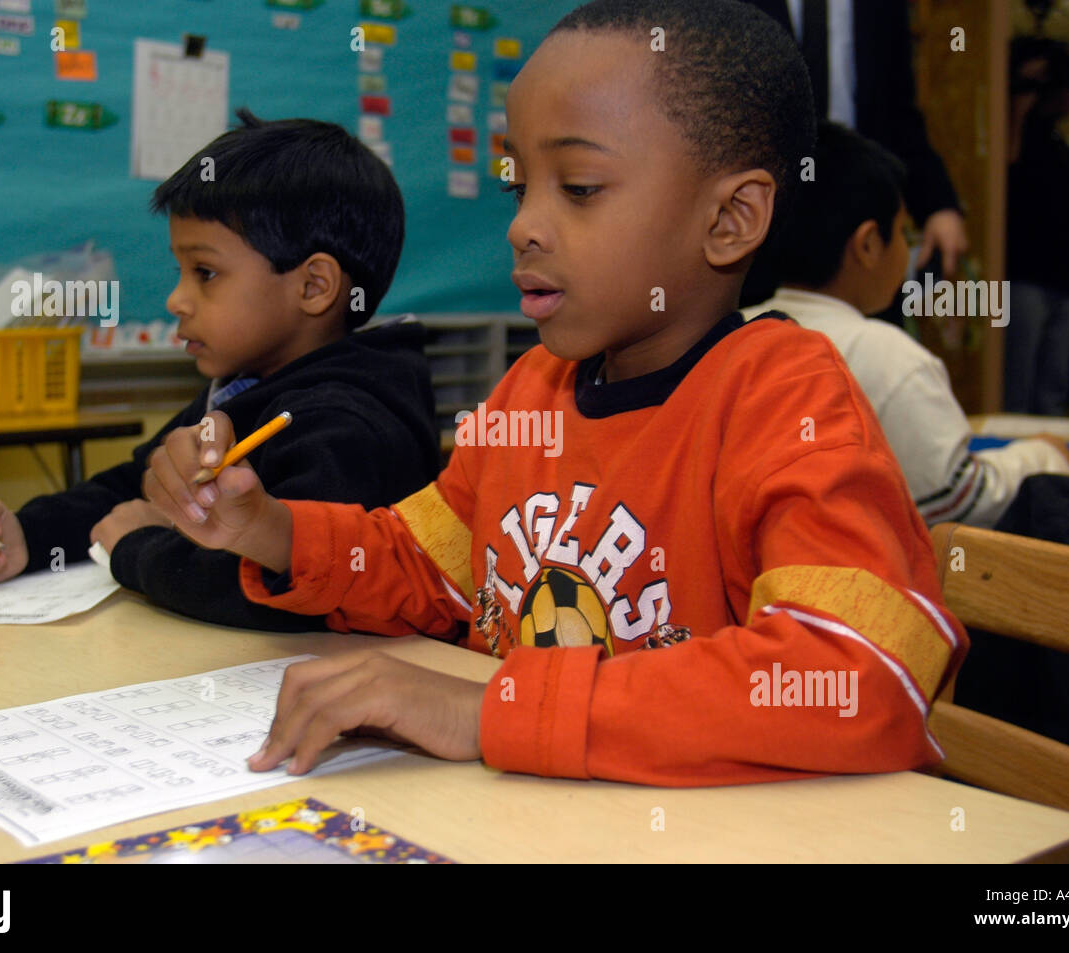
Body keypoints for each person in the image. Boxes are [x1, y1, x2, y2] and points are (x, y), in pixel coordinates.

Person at [145, 0, 966, 787]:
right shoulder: (532, 390)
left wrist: (491, 710)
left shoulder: (785, 398)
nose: (523, 225)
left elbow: (855, 675)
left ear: (730, 220)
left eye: (577, 187)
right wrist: (272, 529)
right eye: (518, 187)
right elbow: (431, 567)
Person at [0, 110, 440, 631]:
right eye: (180, 271)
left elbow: (286, 596)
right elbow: (135, 486)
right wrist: (30, 536)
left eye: (205, 273)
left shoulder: (350, 425)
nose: (177, 299)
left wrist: (135, 550)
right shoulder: (244, 387)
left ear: (313, 287)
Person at [745, 121, 1069, 527]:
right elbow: (958, 500)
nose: (909, 249)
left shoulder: (734, 330)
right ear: (867, 245)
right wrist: (1041, 455)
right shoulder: (885, 353)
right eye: (903, 232)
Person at [740, 0, 968, 310]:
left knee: (863, 345)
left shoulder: (879, 8)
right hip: (758, 211)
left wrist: (938, 205)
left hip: (853, 209)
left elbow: (898, 112)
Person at [1005, 36, 1069, 415]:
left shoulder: (1061, 144)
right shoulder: (1020, 134)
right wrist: (1018, 105)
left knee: (1053, 385)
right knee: (1019, 382)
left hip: (1063, 282)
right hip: (1023, 277)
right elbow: (1004, 170)